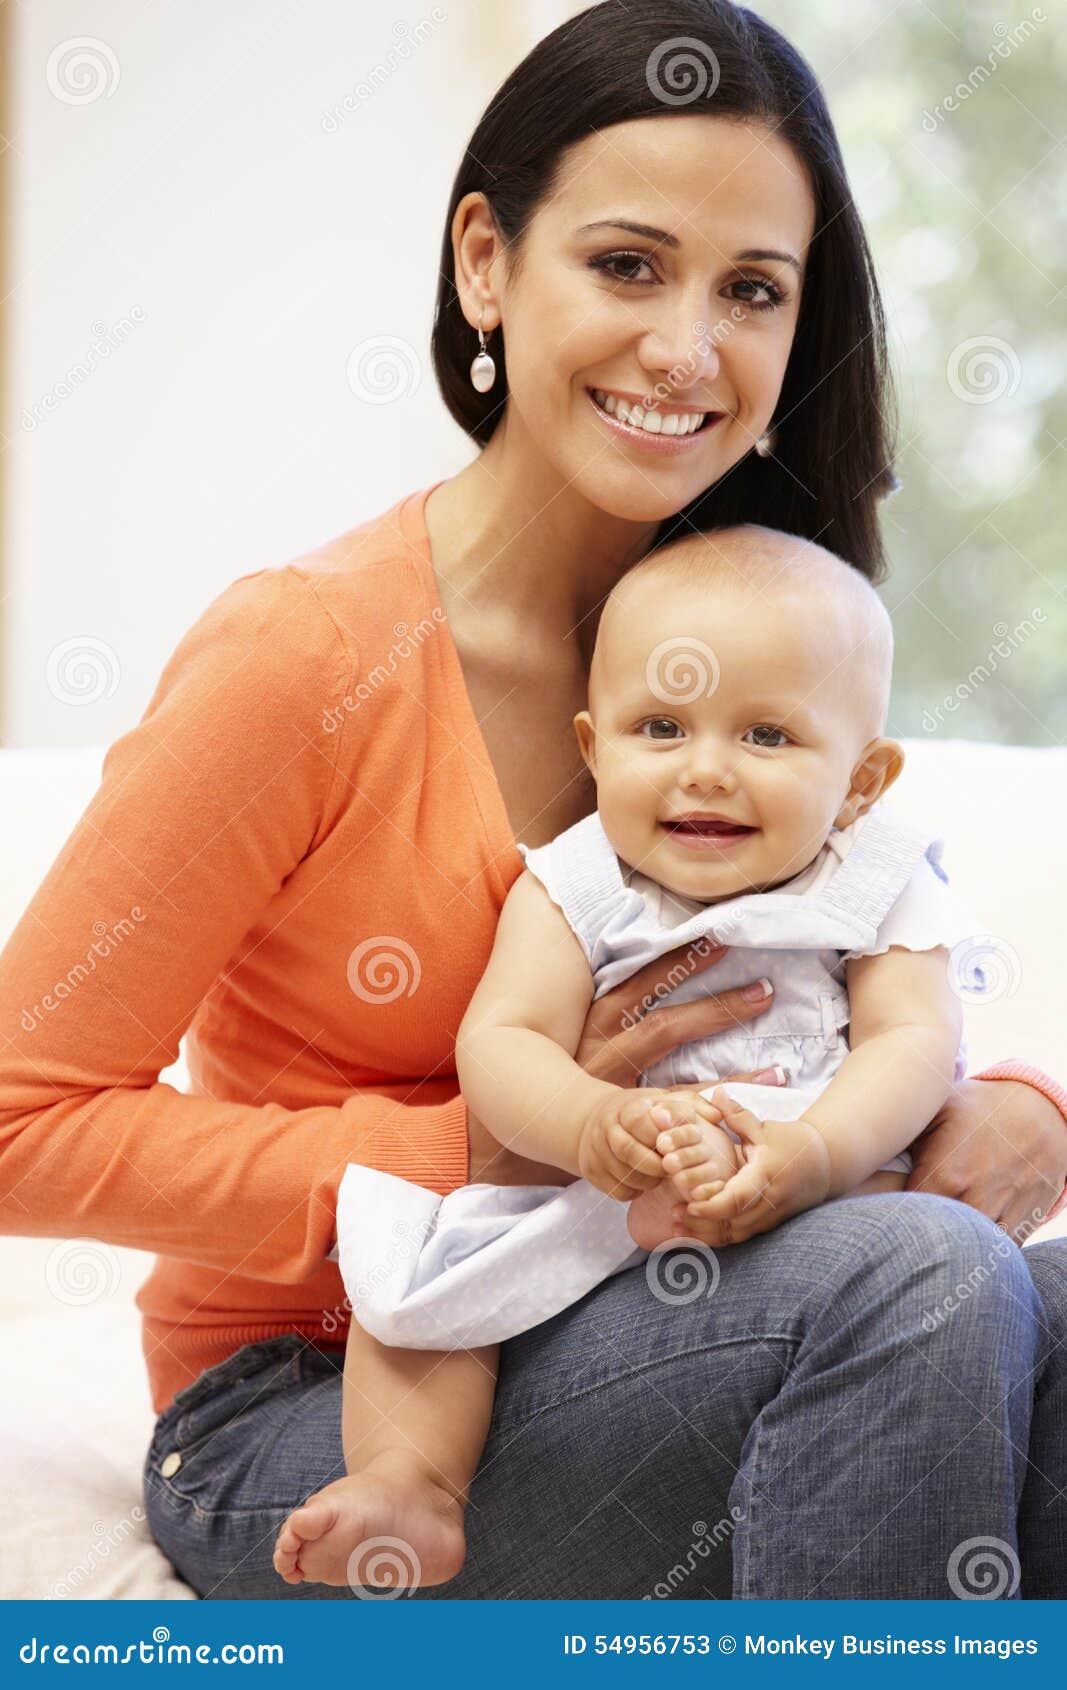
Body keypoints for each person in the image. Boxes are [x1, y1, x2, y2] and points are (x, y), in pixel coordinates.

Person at [2, 0, 1065, 1600]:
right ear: (486, 262)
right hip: (334, 1405)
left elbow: (837, 975)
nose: (685, 348)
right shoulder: (303, 656)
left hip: (689, 1298)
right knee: (910, 1277)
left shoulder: (761, 623)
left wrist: (1008, 1108)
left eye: (750, 291)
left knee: (997, 1298)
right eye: (626, 265)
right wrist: (493, 1148)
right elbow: (21, 1122)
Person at [272, 523, 998, 1588]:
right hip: (597, 1206)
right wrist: (585, 1122)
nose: (704, 771)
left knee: (991, 1273)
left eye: (764, 736)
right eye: (659, 726)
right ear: (590, 745)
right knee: (430, 1272)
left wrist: (813, 1152)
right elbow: (503, 1037)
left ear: (860, 781)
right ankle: (409, 1482)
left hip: (810, 1197)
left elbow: (911, 1039)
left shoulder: (873, 881)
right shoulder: (577, 881)